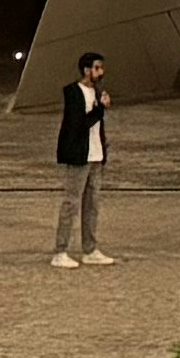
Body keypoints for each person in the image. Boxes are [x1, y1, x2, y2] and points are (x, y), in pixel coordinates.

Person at [52, 51, 113, 267]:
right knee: (71, 202)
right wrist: (100, 109)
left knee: (92, 205)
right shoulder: (73, 92)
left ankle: (90, 249)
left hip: (95, 155)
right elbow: (79, 123)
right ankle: (61, 251)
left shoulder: (97, 92)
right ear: (86, 70)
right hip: (79, 155)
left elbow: (97, 126)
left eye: (101, 68)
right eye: (97, 68)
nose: (100, 72)